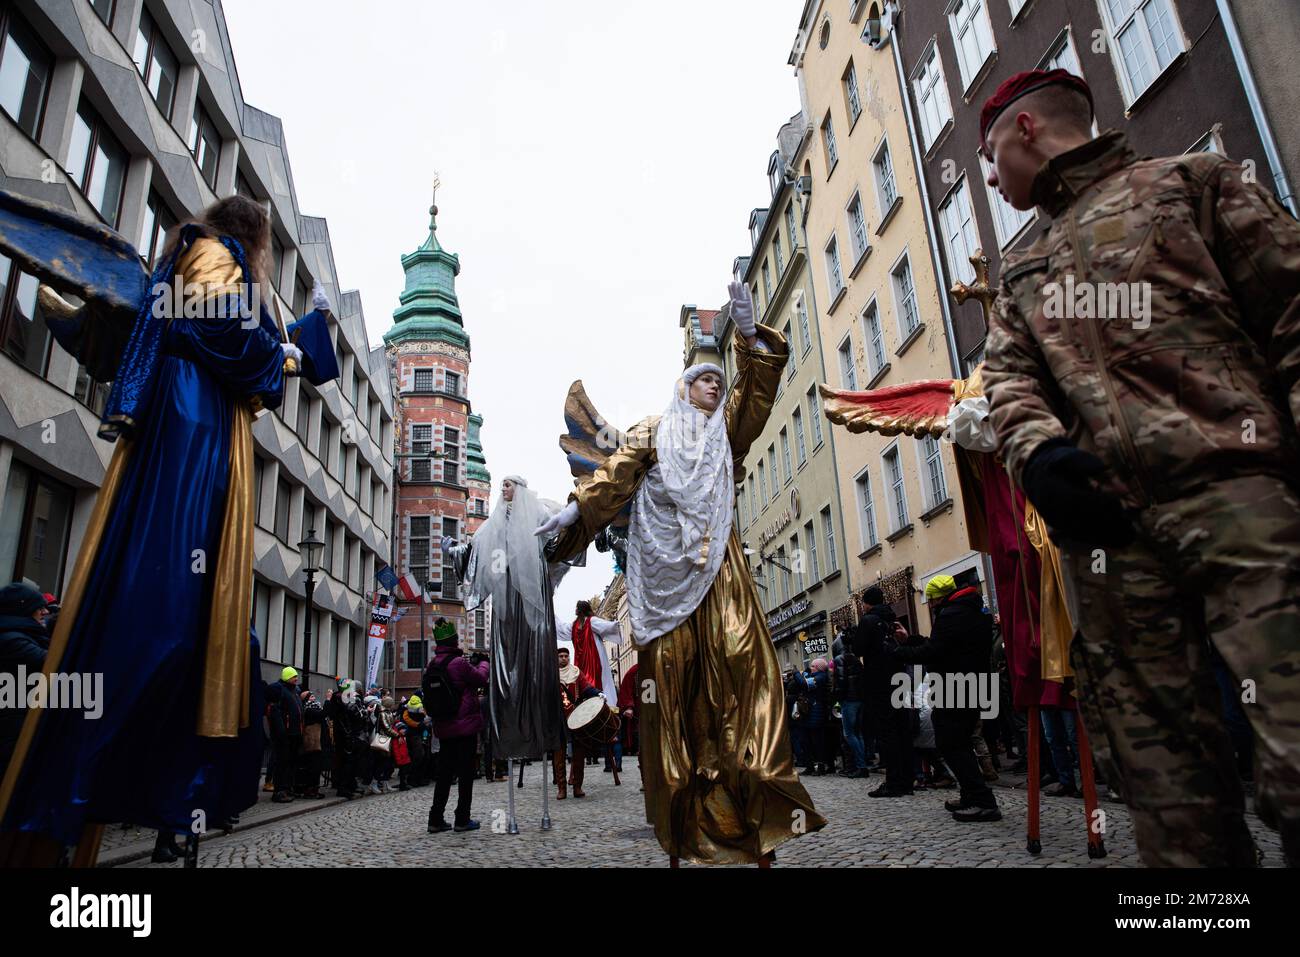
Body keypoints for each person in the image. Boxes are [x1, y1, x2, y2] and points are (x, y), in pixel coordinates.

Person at [980, 68, 1300, 865]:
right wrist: (1043, 453)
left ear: (1026, 129)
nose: (988, 177)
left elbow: (1292, 306)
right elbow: (1008, 383)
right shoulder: (1023, 274)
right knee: (1171, 804)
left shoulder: (1190, 186)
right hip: (1114, 545)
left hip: (1243, 503)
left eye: (990, 155)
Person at [0, 195, 337, 865]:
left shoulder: (200, 262)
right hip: (193, 440)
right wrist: (289, 352)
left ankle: (138, 801)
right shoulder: (214, 254)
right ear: (254, 237)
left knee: (182, 625)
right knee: (169, 625)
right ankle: (101, 791)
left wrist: (277, 345)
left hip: (201, 432)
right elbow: (223, 335)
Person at [541, 282, 825, 866]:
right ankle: (688, 814)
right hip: (663, 583)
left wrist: (749, 338)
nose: (713, 385)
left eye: (719, 381)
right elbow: (616, 474)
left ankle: (754, 797)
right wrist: (576, 512)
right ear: (681, 388)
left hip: (720, 570)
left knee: (745, 667)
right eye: (703, 379)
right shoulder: (653, 432)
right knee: (675, 688)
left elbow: (755, 400)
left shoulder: (726, 435)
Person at [444, 478, 569, 771]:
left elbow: (562, 537)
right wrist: (455, 552)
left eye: (509, 484)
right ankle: (511, 736)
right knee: (508, 658)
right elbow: (475, 552)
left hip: (533, 593)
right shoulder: (494, 524)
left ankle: (543, 729)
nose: (503, 489)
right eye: (502, 485)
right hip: (506, 599)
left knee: (536, 656)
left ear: (521, 488)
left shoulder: (540, 512)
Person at [891, 576, 999, 821]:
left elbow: (936, 651)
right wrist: (909, 643)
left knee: (952, 744)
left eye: (931, 599)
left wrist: (900, 652)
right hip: (972, 685)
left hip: (957, 688)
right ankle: (971, 794)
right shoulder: (969, 610)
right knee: (959, 743)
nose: (930, 604)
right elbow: (944, 646)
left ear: (937, 597)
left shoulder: (952, 615)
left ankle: (984, 801)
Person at [851, 587, 913, 797]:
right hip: (898, 678)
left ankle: (894, 782)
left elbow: (858, 649)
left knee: (887, 733)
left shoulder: (869, 620)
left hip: (879, 681)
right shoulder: (891, 618)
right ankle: (907, 780)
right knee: (902, 729)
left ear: (867, 604)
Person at [427, 629, 489, 833]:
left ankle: (435, 818)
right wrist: (483, 663)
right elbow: (480, 679)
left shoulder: (433, 664)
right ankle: (462, 818)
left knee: (444, 774)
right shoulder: (459, 663)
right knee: (465, 774)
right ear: (453, 641)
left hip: (443, 728)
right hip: (464, 728)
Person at [0, 585, 49, 781]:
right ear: (23, 609)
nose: (45, 612)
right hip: (10, 723)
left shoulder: (18, 635)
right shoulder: (11, 640)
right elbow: (52, 663)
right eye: (39, 607)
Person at [265, 667, 304, 803]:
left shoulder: (294, 692)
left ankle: (287, 788)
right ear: (287, 677)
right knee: (282, 763)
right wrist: (282, 732)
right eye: (294, 676)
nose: (296, 678)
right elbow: (276, 714)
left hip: (294, 734)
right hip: (285, 735)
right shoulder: (281, 691)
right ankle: (279, 790)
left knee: (290, 763)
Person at [833, 635, 868, 778]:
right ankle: (862, 764)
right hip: (859, 698)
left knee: (849, 734)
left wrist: (838, 697)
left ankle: (861, 766)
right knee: (858, 733)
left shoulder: (839, 659)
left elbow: (841, 681)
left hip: (848, 699)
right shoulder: (855, 658)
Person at [790, 660, 831, 776]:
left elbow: (804, 684)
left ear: (818, 668)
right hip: (808, 714)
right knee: (805, 741)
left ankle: (820, 766)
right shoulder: (815, 676)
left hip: (815, 713)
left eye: (813, 666)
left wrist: (797, 674)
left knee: (817, 742)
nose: (811, 668)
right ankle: (809, 766)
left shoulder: (821, 677)